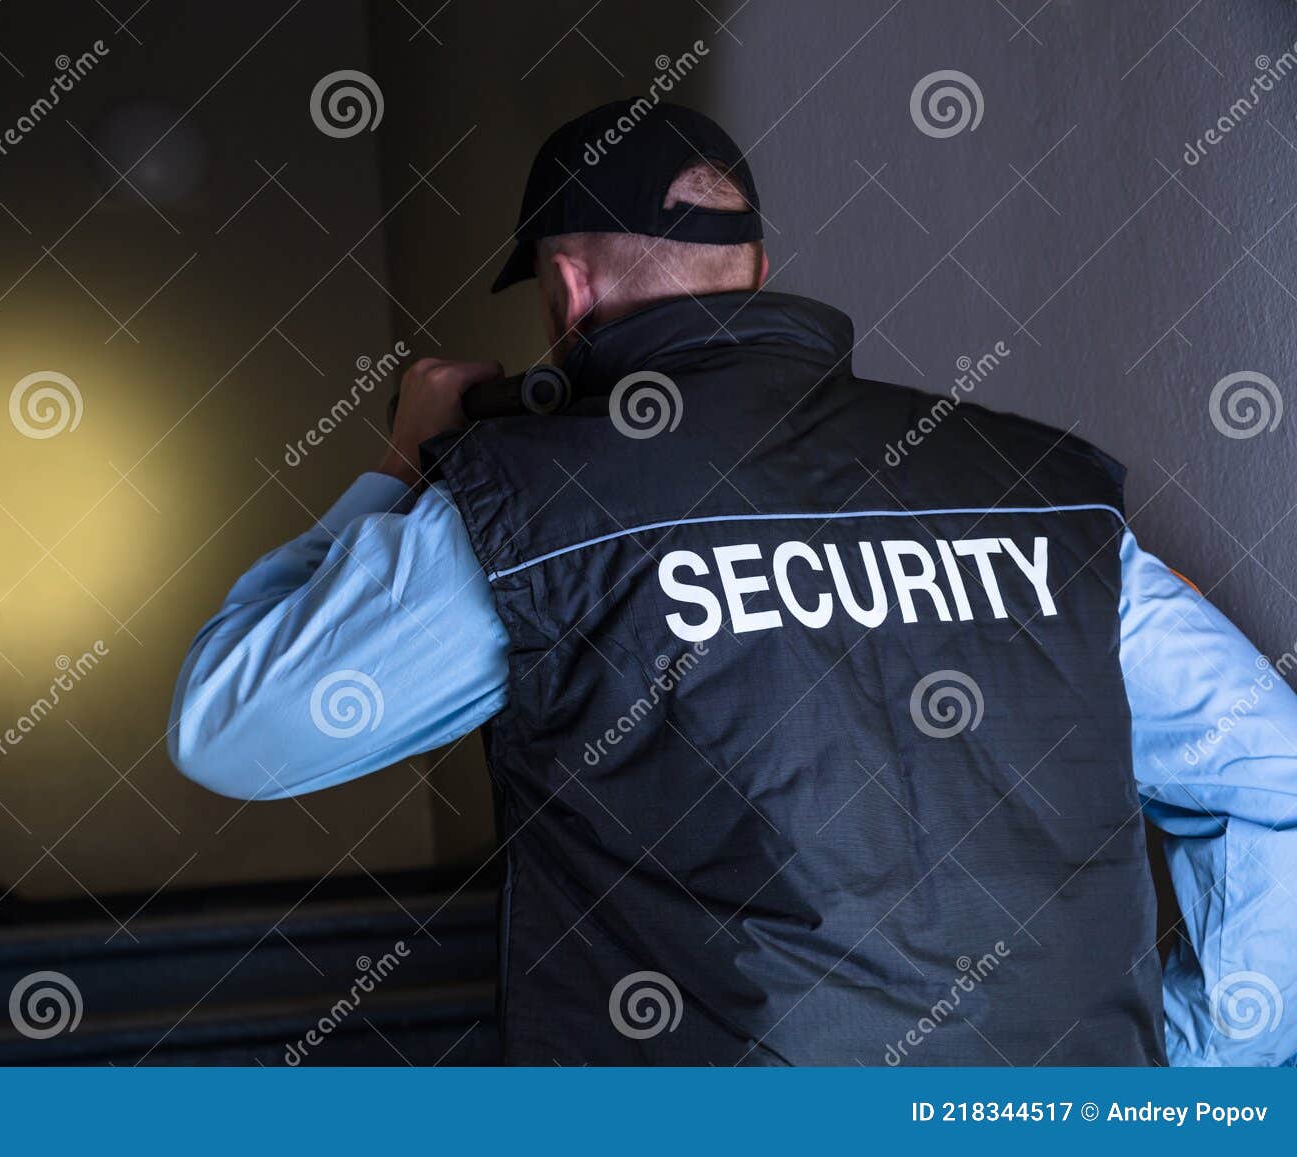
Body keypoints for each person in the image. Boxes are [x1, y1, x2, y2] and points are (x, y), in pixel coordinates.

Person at [168, 101, 1296, 1067]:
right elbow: (1274, 773)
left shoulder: (534, 510)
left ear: (565, 289)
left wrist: (403, 460)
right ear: (755, 269)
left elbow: (236, 728)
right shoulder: (1045, 492)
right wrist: (1184, 1058)